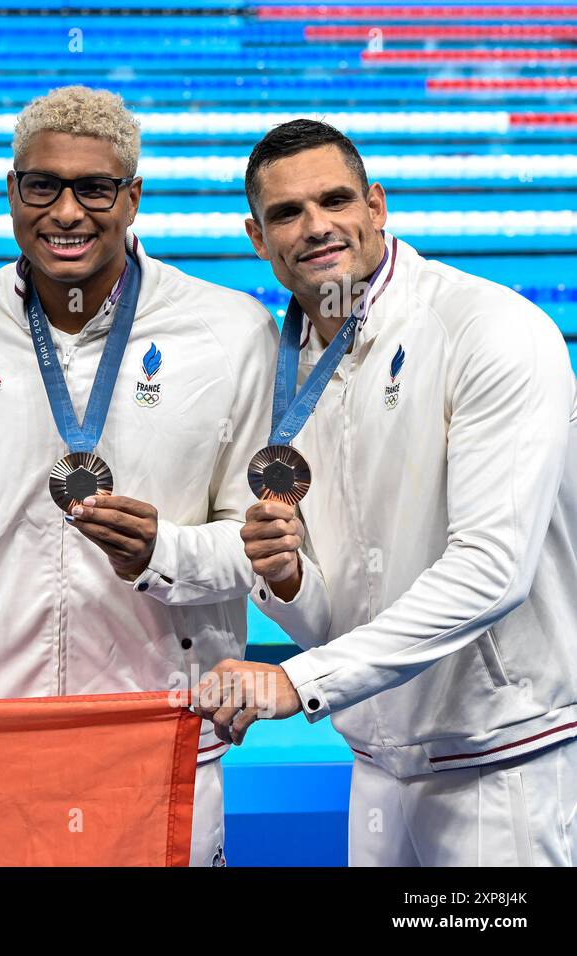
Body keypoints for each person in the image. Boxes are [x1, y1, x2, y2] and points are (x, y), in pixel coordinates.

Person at [0, 86, 279, 866]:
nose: (66, 212)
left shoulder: (229, 330)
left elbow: (267, 547)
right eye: (42, 186)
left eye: (95, 188)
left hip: (157, 722)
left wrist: (166, 552)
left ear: (133, 197)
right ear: (12, 194)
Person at [197, 119, 577, 865]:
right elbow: (342, 615)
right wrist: (288, 579)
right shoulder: (291, 366)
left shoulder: (488, 329)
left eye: (335, 201)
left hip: (502, 764)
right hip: (377, 765)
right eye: (286, 214)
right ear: (256, 237)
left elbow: (492, 570)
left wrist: (297, 682)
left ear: (376, 205)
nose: (316, 228)